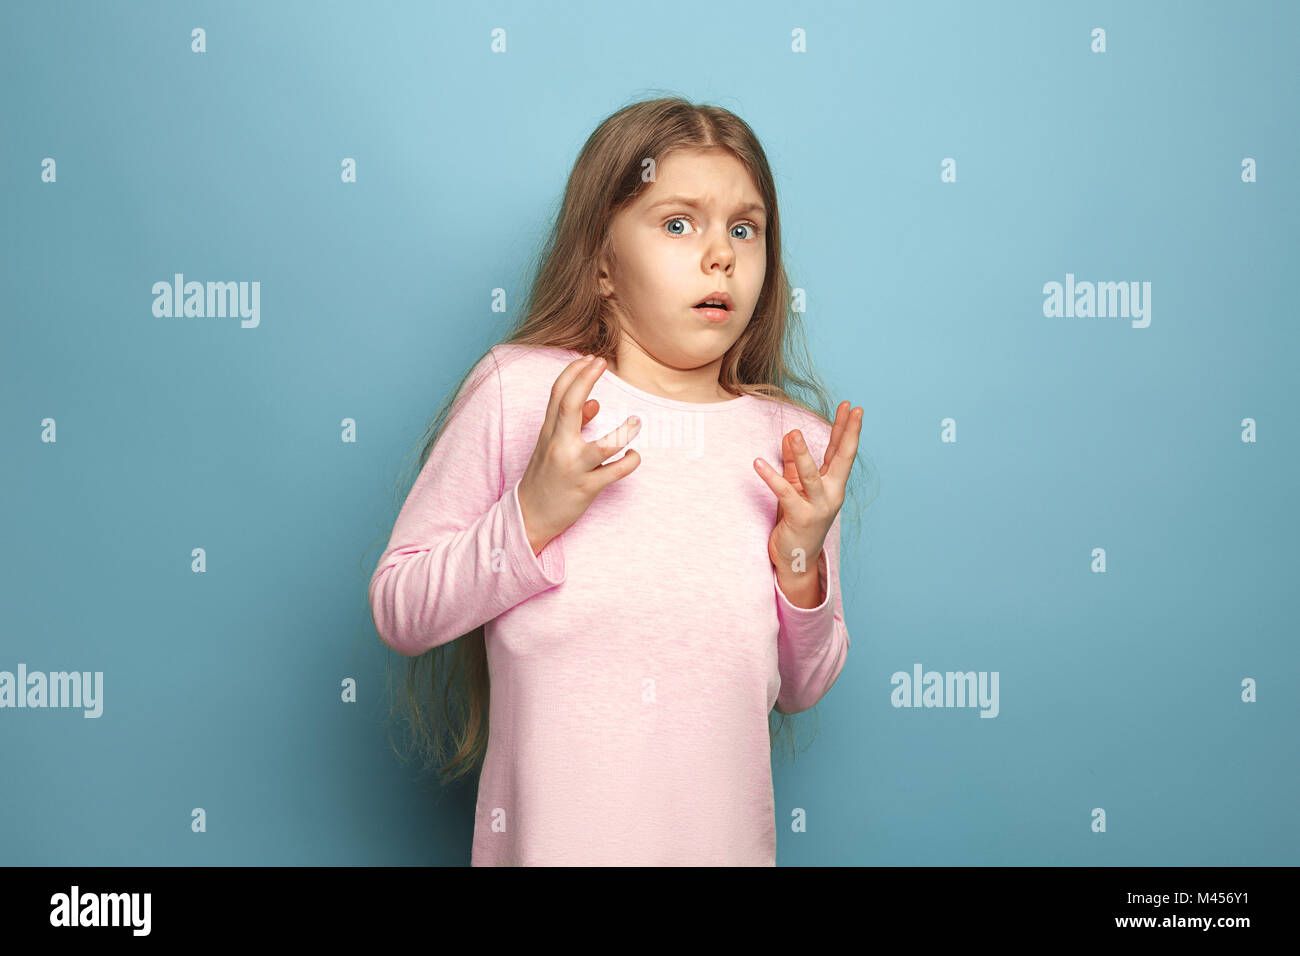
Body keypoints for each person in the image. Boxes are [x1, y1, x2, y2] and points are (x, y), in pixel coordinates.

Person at [369, 96, 866, 866]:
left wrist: (800, 558)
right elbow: (401, 608)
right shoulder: (522, 392)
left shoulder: (792, 445)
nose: (721, 256)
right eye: (678, 224)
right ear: (601, 263)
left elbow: (803, 685)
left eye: (745, 228)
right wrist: (532, 514)